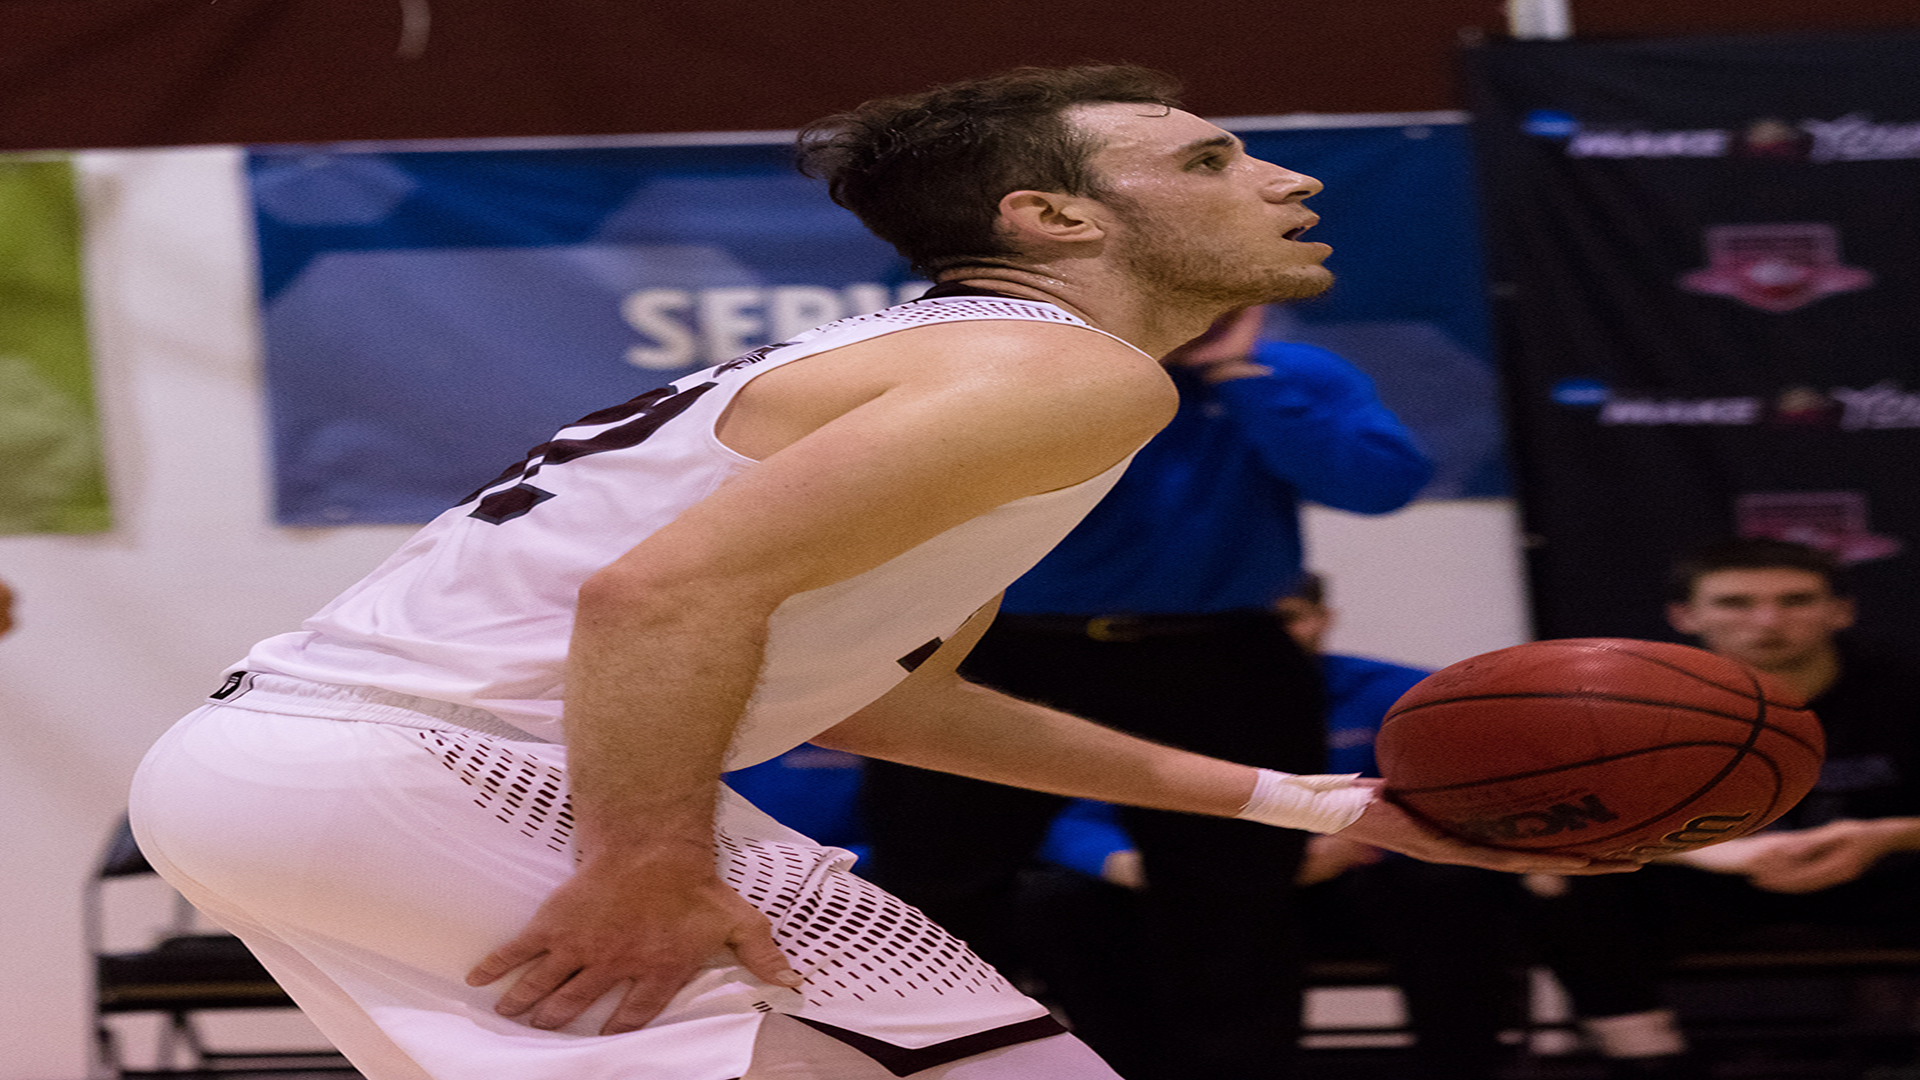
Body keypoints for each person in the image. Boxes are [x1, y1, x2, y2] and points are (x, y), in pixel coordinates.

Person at [128, 65, 1619, 1080]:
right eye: (1212, 159)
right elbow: (654, 601)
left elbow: (881, 703)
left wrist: (1314, 800)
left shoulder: (958, 371)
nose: (1283, 178)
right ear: (1052, 218)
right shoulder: (1070, 378)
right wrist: (645, 868)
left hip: (293, 769)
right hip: (441, 766)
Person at [857, 283, 1434, 1076]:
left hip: (1220, 652)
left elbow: (1382, 485)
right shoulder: (1010, 377)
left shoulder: (1294, 373)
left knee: (1237, 906)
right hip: (1006, 646)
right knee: (936, 890)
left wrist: (1239, 382)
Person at [1527, 538, 1920, 1079]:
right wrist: (1708, 853)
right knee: (1556, 878)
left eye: (1796, 600)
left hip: (1878, 874)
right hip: (1706, 884)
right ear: (1684, 615)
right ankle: (1647, 1056)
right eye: (1735, 603)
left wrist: (1884, 836)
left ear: (1842, 611)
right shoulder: (1619, 700)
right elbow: (1561, 828)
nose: (1767, 620)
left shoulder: (1904, 686)